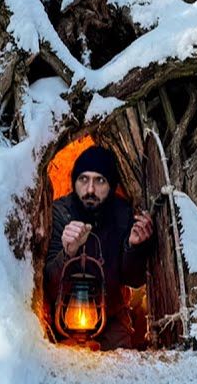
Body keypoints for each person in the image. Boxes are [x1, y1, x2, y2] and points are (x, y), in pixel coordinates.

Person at [44, 145, 154, 350]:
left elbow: (133, 279)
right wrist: (68, 252)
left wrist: (133, 247)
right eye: (83, 179)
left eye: (99, 180)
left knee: (121, 359)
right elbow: (49, 282)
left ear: (111, 184)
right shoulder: (59, 213)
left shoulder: (123, 214)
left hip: (110, 315)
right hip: (64, 314)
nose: (90, 190)